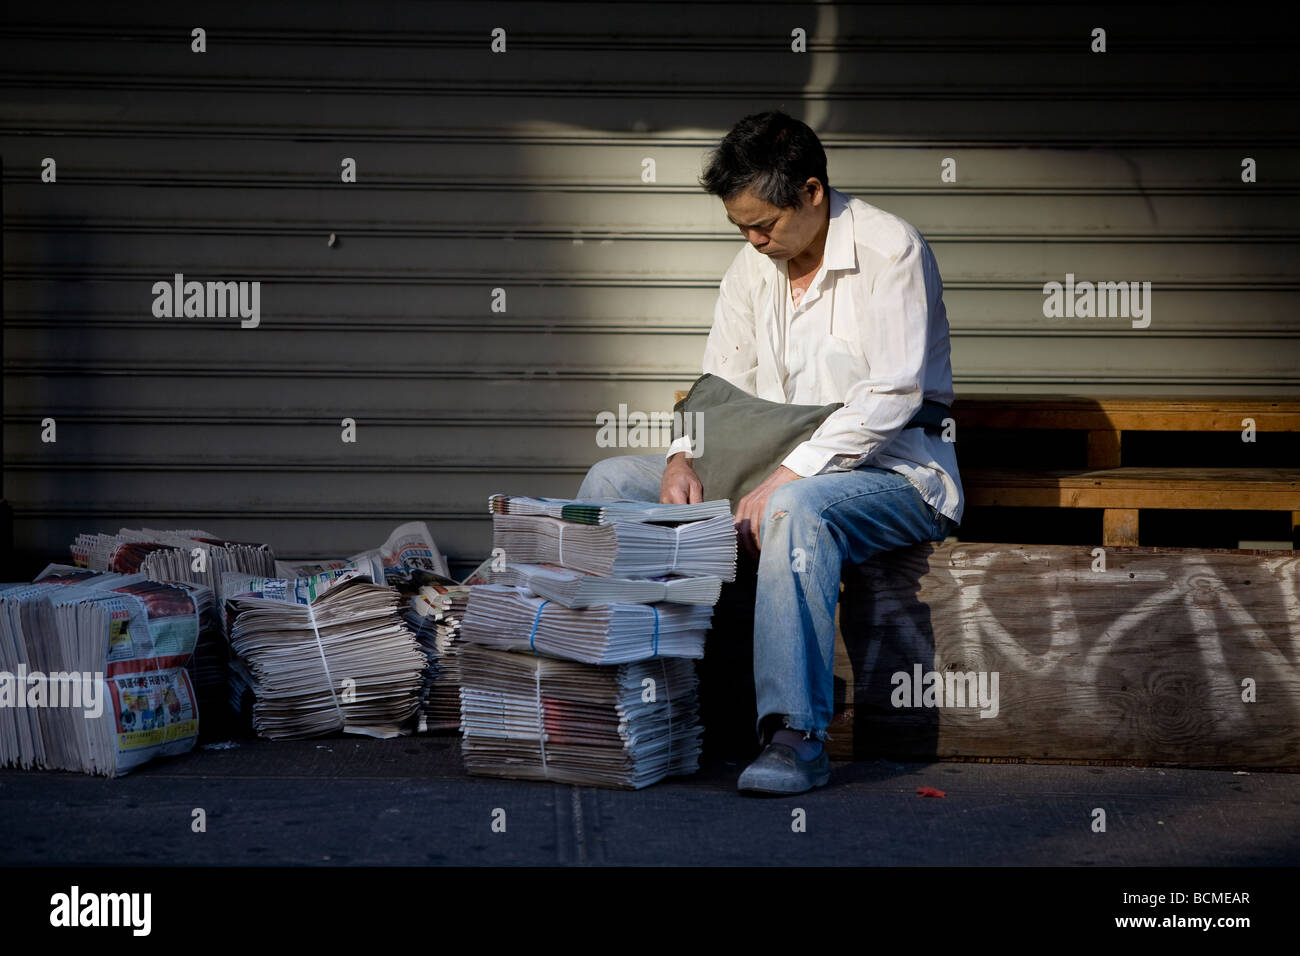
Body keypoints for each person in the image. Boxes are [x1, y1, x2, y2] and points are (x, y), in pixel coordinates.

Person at [577, 110, 964, 794]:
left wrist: (789, 473)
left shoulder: (890, 250)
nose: (754, 240)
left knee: (792, 508)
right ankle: (615, 700)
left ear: (812, 192)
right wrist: (680, 460)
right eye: (741, 227)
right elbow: (718, 389)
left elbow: (894, 394)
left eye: (765, 225)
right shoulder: (751, 267)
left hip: (896, 475)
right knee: (613, 480)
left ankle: (796, 737)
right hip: (771, 472)